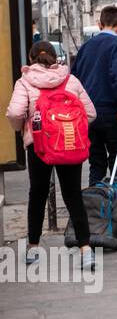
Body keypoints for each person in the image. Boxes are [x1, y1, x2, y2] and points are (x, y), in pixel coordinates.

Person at [7, 42, 96, 269]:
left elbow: (16, 112)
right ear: (56, 58)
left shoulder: (24, 82)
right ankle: (86, 249)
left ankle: (34, 248)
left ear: (31, 57)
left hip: (39, 145)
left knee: (37, 194)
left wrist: (23, 128)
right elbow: (91, 113)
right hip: (68, 143)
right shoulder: (70, 80)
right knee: (73, 194)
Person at [71, 5, 117, 186]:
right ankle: (116, 208)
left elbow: (74, 78)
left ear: (100, 25)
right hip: (112, 113)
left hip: (88, 115)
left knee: (96, 163)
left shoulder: (86, 47)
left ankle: (94, 207)